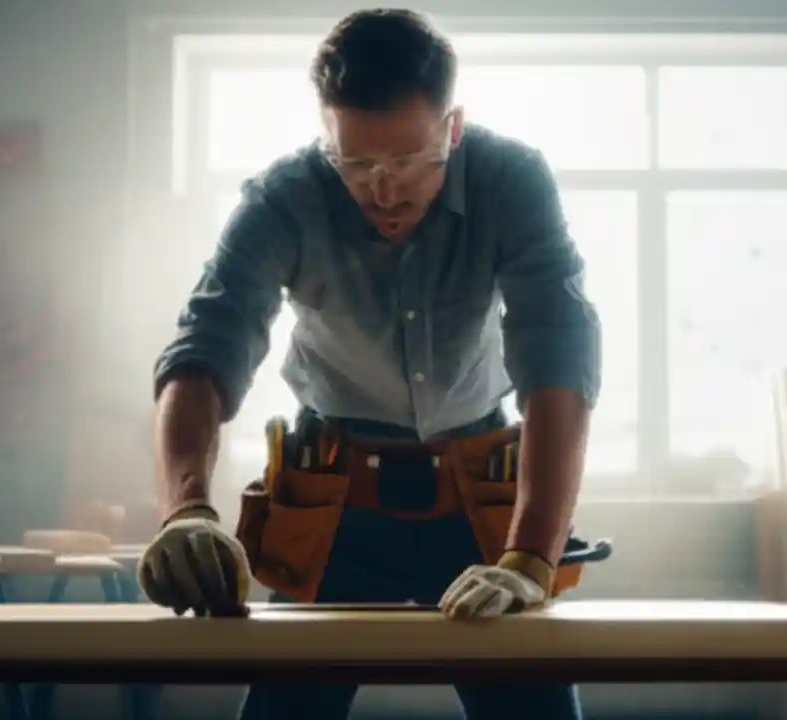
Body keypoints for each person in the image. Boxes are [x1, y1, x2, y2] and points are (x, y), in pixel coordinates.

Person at [137, 8, 601, 719]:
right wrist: (186, 510)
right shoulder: (284, 196)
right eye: (354, 164)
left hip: (479, 495)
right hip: (333, 499)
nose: (384, 191)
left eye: (408, 161)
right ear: (326, 135)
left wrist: (533, 558)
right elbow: (205, 346)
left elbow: (558, 352)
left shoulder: (511, 180)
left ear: (452, 126)